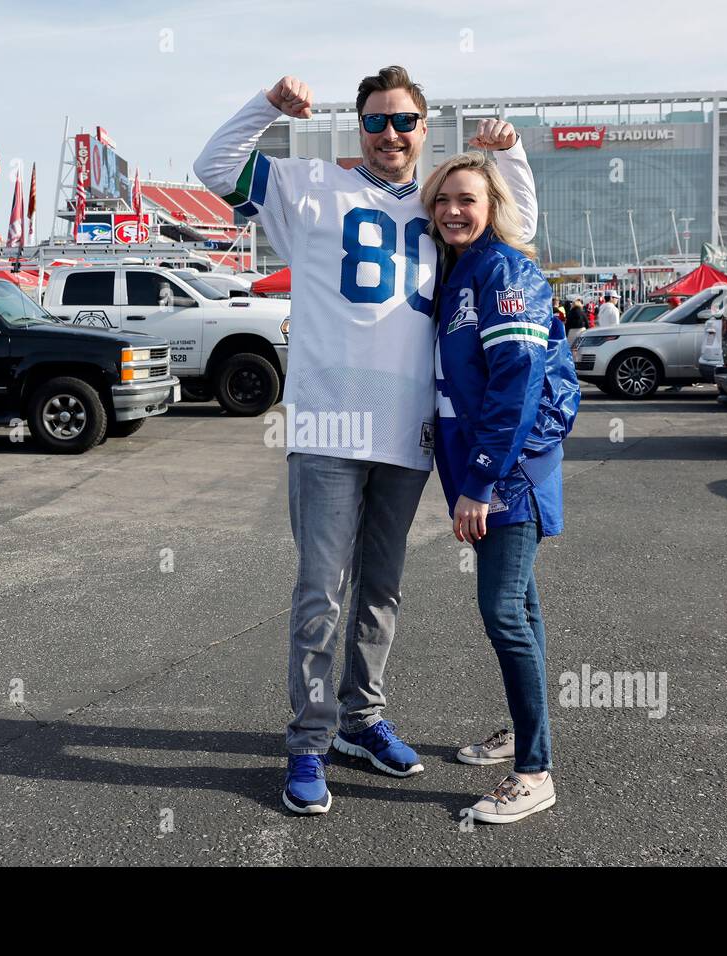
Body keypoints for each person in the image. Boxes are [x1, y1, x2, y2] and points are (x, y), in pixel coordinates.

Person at [195, 67, 539, 816]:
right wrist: (264, 106)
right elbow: (213, 169)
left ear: (425, 126)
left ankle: (362, 718)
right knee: (322, 591)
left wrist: (511, 157)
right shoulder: (310, 186)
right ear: (360, 127)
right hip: (326, 421)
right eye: (379, 121)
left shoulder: (439, 204)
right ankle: (309, 743)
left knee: (381, 591)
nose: (392, 134)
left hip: (406, 431)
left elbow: (520, 228)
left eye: (406, 121)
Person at [424, 151, 580, 823]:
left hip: (509, 471)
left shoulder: (505, 270)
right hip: (485, 468)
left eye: (467, 199)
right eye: (443, 200)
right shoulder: (461, 273)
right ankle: (524, 733)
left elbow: (517, 381)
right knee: (524, 609)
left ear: (492, 207)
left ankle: (535, 771)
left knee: (502, 614)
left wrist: (482, 481)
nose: (453, 210)